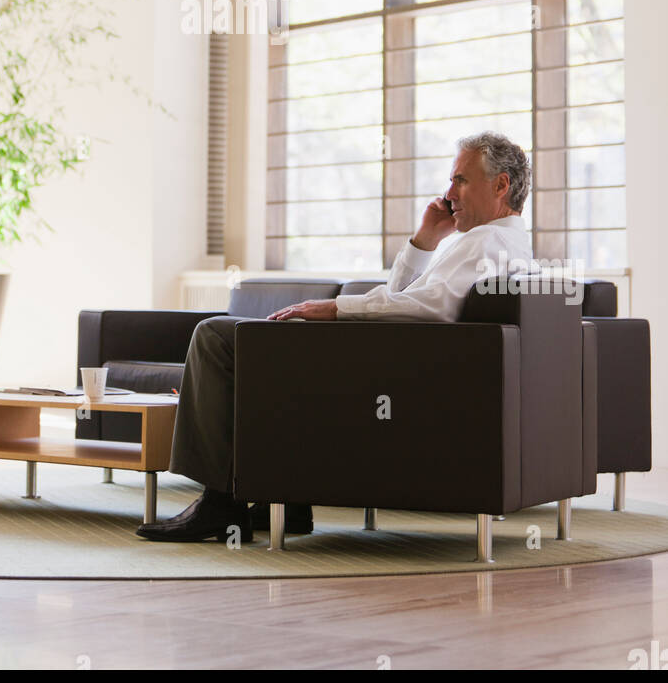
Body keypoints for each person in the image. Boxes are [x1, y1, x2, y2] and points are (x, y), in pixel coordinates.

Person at [137, 130, 534, 543]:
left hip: (390, 368)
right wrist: (424, 241)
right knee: (260, 350)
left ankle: (220, 503)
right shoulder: (499, 243)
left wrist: (336, 307)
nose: (449, 192)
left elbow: (431, 309)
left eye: (461, 180)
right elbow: (411, 299)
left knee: (216, 335)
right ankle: (285, 501)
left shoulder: (487, 243)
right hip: (403, 361)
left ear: (500, 185)